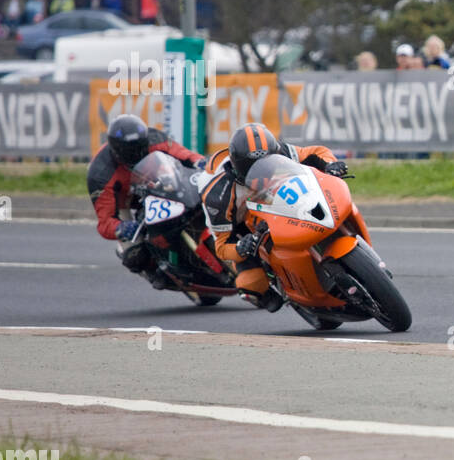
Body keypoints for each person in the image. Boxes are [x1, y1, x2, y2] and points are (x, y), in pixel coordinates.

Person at [200, 124, 345, 312]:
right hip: (239, 222)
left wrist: (330, 164)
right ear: (237, 166)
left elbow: (315, 152)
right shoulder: (217, 195)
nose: (262, 169)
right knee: (252, 283)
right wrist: (239, 247)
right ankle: (269, 292)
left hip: (272, 195)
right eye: (251, 166)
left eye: (269, 162)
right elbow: (221, 246)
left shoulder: (279, 151)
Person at [87, 114, 206, 288]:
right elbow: (104, 222)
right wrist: (120, 227)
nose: (137, 153)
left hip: (155, 181)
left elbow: (184, 155)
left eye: (141, 147)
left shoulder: (154, 138)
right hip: (123, 201)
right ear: (116, 150)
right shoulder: (100, 174)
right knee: (134, 254)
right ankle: (152, 271)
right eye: (131, 151)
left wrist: (202, 164)